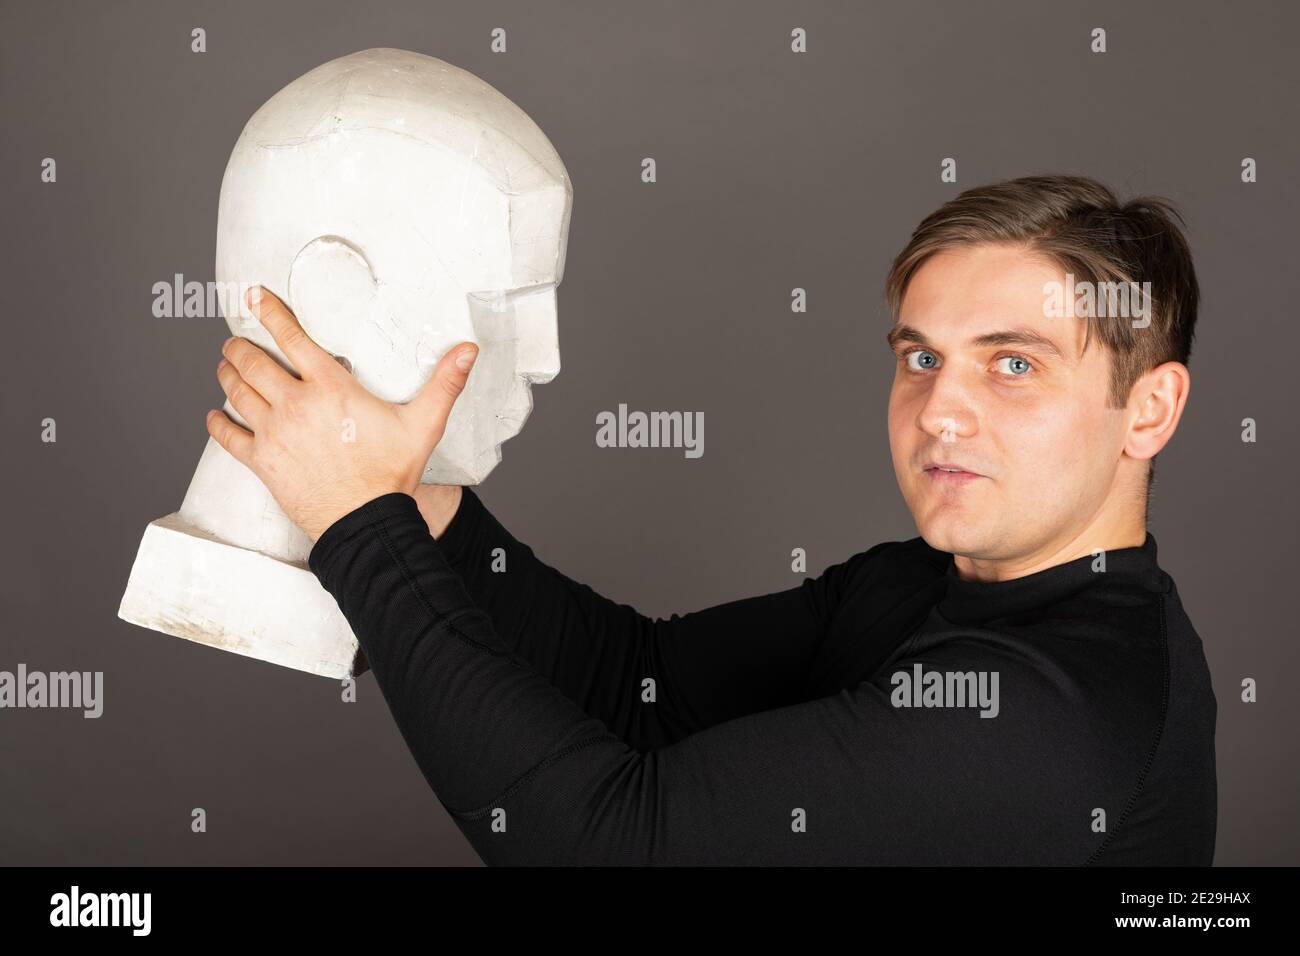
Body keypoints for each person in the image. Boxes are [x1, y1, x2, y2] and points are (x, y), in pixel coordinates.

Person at [206, 175, 1217, 865]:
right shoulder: (914, 580)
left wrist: (359, 521)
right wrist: (425, 508)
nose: (939, 410)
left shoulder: (1059, 714)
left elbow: (606, 846)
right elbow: (638, 684)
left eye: (1013, 363)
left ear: (1149, 410)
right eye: (920, 357)